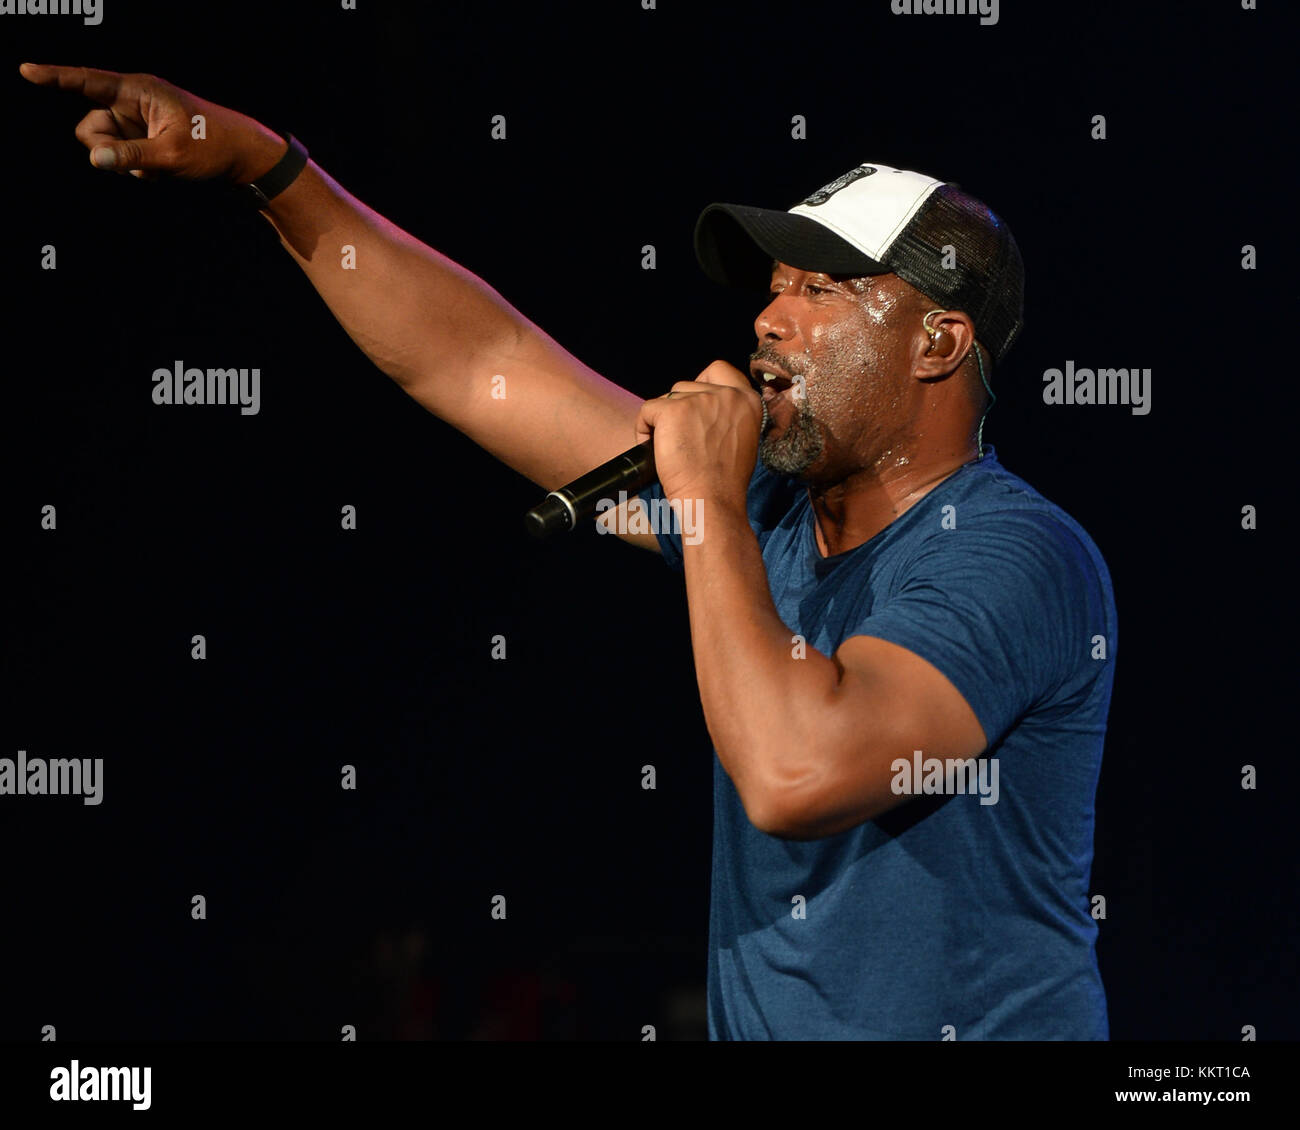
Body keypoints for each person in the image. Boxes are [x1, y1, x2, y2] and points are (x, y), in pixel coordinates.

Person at [20, 63, 1116, 1040]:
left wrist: (709, 506)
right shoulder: (771, 517)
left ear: (938, 341)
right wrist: (266, 165)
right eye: (773, 285)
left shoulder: (1015, 553)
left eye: (820, 289)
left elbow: (798, 771)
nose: (769, 321)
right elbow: (476, 360)